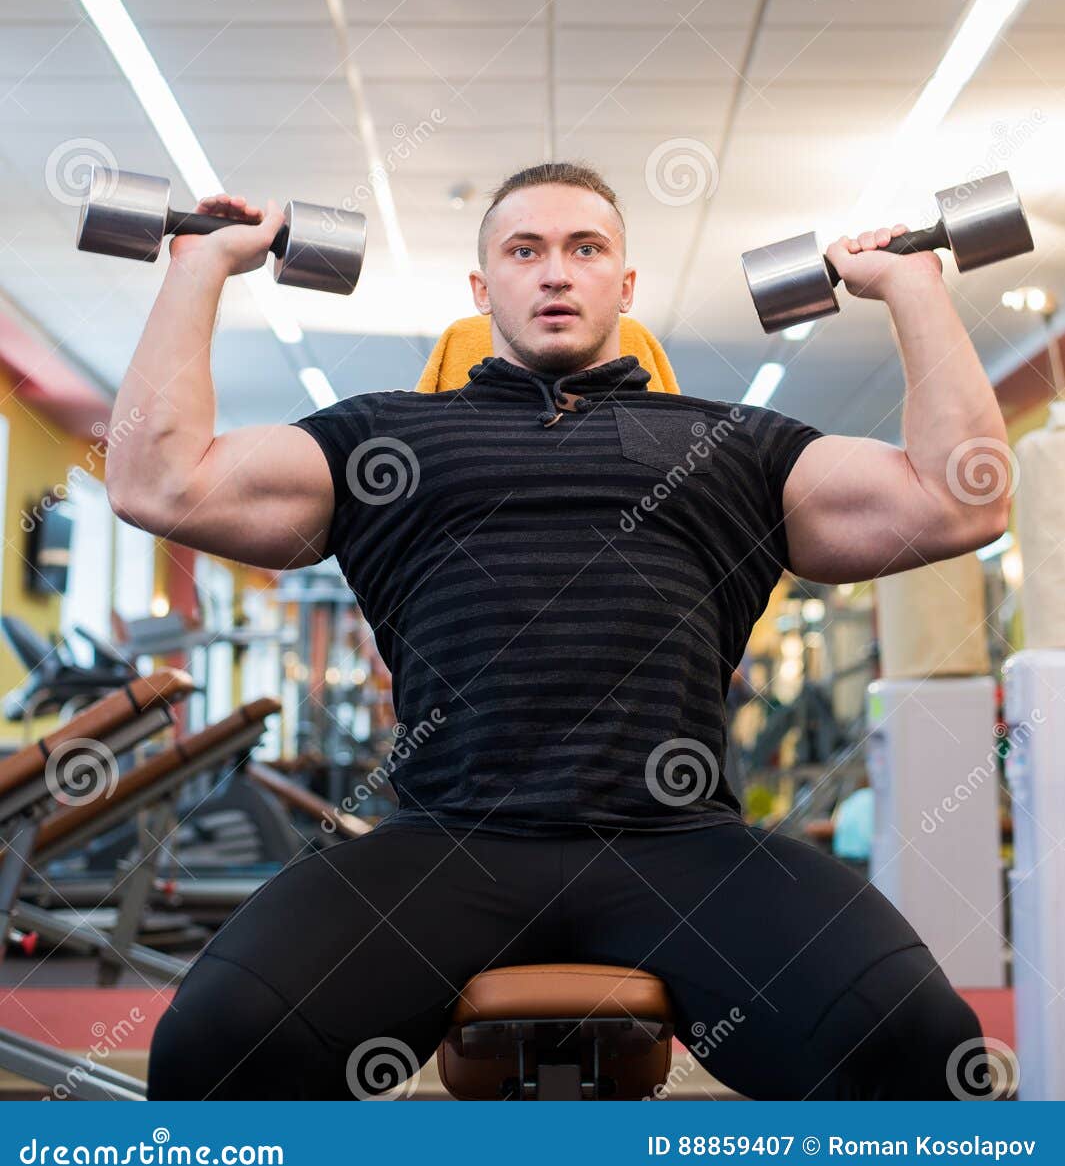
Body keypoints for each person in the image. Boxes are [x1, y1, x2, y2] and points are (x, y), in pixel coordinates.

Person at [106, 160, 1009, 1101]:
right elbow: (155, 482)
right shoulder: (383, 436)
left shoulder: (734, 443)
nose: (553, 273)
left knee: (915, 1040)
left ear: (624, 286)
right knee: (220, 1044)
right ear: (480, 286)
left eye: (585, 249)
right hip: (443, 845)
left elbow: (958, 502)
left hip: (677, 846)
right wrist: (199, 265)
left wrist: (913, 286)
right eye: (523, 250)